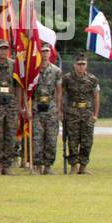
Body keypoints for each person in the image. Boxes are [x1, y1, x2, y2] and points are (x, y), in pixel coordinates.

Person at [62, 55, 100, 174]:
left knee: (87, 140)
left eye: (83, 64)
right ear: (74, 65)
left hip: (87, 113)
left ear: (86, 65)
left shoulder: (92, 79)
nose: (81, 66)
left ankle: (83, 166)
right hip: (72, 112)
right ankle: (73, 166)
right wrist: (61, 111)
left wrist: (95, 114)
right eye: (78, 64)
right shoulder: (67, 78)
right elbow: (61, 95)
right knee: (73, 140)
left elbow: (96, 97)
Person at [0, 39, 21, 175]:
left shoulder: (14, 65)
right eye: (1, 49)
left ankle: (7, 166)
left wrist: (18, 104)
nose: (3, 51)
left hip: (11, 105)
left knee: (10, 136)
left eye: (5, 49)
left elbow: (18, 85)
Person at [31, 42, 62, 174]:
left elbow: (59, 91)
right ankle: (37, 165)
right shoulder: (34, 69)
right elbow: (29, 89)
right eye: (43, 51)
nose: (45, 54)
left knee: (51, 138)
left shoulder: (56, 71)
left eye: (47, 51)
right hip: (37, 107)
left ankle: (48, 166)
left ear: (50, 53)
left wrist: (58, 108)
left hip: (51, 108)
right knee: (37, 138)